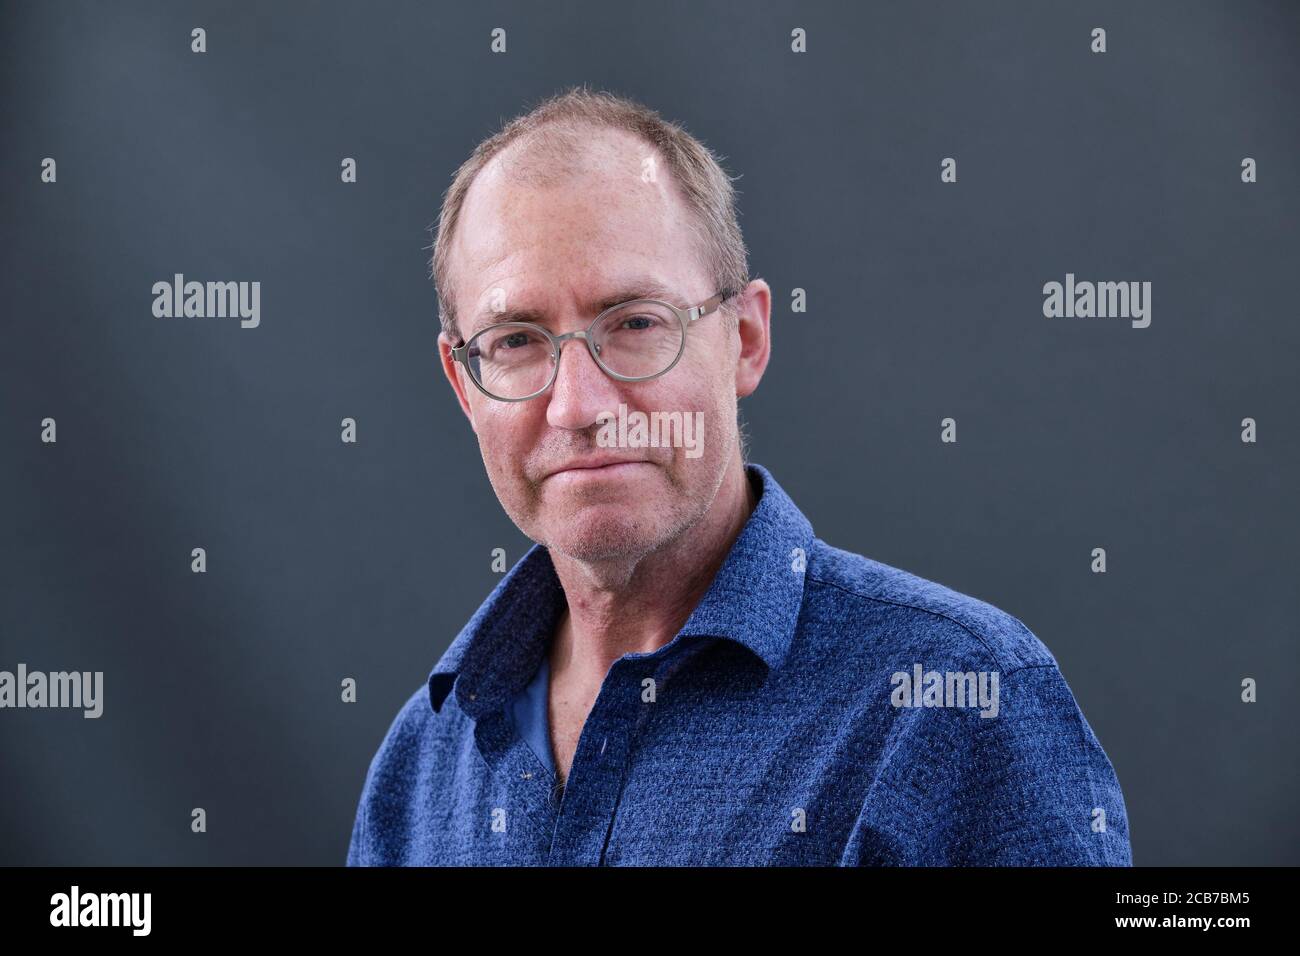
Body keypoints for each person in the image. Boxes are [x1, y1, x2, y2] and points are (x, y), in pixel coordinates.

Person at [346, 86, 1132, 866]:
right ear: (463, 384)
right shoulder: (421, 764)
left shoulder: (955, 699)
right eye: (516, 340)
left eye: (636, 323)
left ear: (747, 338)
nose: (577, 406)